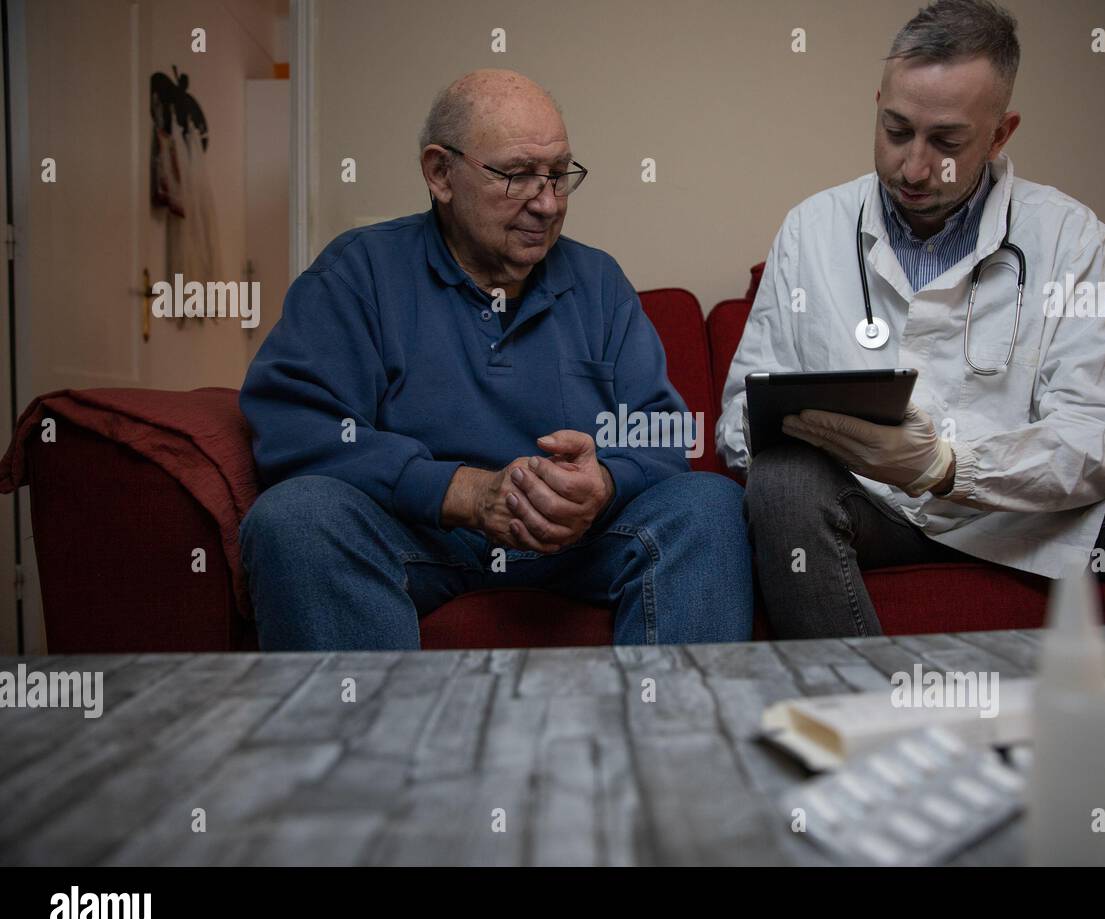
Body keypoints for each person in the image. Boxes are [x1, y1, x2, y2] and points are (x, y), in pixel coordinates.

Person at [718, 0, 1105, 638]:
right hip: (869, 510)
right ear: (878, 102)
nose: (913, 167)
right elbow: (743, 415)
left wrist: (945, 467)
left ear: (999, 134)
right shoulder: (811, 228)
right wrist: (825, 438)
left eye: (946, 141)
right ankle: (860, 724)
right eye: (896, 129)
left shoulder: (1073, 237)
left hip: (1032, 516)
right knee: (782, 478)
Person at [240, 69, 751, 650]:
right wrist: (462, 491)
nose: (548, 204)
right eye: (517, 176)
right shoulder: (359, 273)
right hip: (425, 537)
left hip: (579, 545)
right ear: (440, 174)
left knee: (711, 505)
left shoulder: (600, 282)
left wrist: (604, 483)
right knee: (295, 518)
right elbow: (298, 428)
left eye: (559, 176)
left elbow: (662, 433)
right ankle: (373, 740)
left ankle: (674, 737)